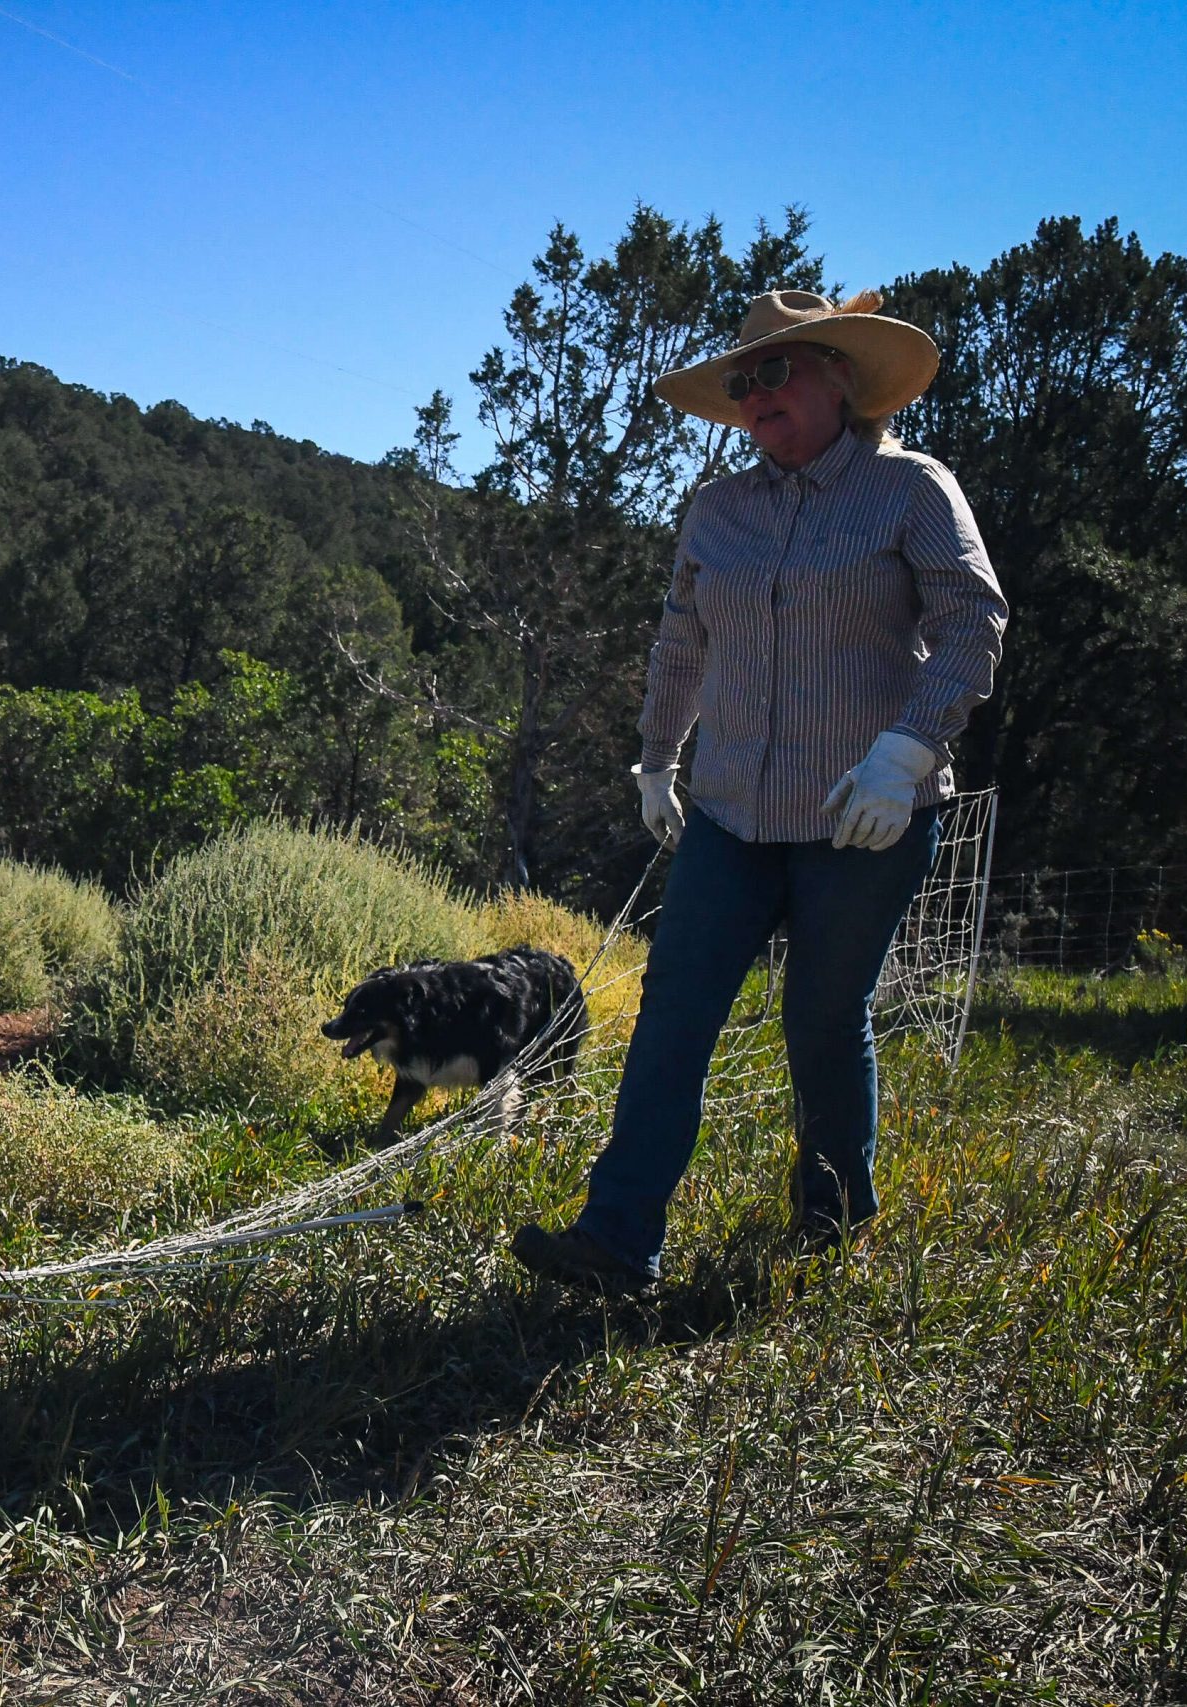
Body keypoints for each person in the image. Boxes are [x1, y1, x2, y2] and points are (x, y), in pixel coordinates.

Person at [509, 289, 1009, 1294]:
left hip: (863, 816)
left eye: (772, 373)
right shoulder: (718, 509)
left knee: (824, 1020)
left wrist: (905, 753)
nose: (753, 396)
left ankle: (831, 1225)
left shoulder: (910, 488)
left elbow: (970, 624)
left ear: (840, 379)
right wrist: (656, 758)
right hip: (730, 814)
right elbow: (682, 641)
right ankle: (616, 1241)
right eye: (741, 383)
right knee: (671, 1018)